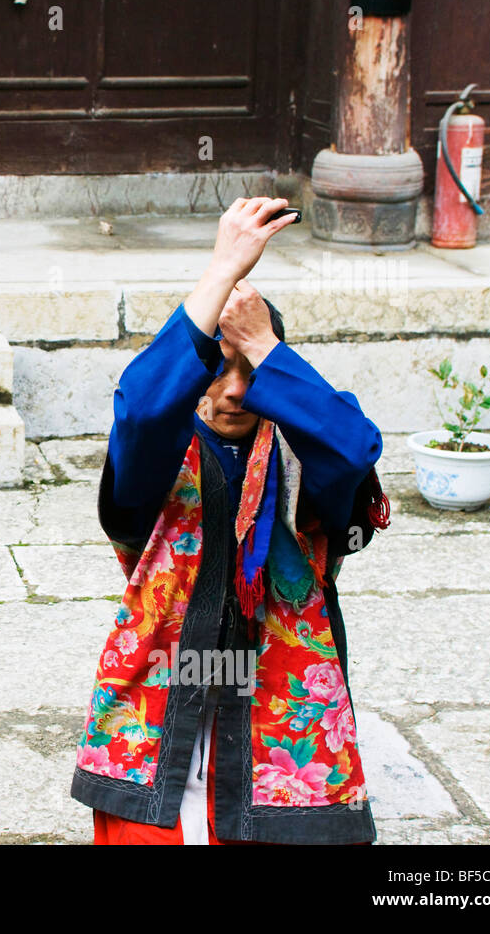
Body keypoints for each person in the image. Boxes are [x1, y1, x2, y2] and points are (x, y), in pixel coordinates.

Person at [71, 196, 391, 844]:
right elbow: (138, 412)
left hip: (287, 724)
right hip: (161, 710)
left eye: (252, 368)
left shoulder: (303, 453)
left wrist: (266, 346)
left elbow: (354, 447)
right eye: (217, 366)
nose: (235, 389)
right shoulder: (160, 456)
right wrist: (219, 272)